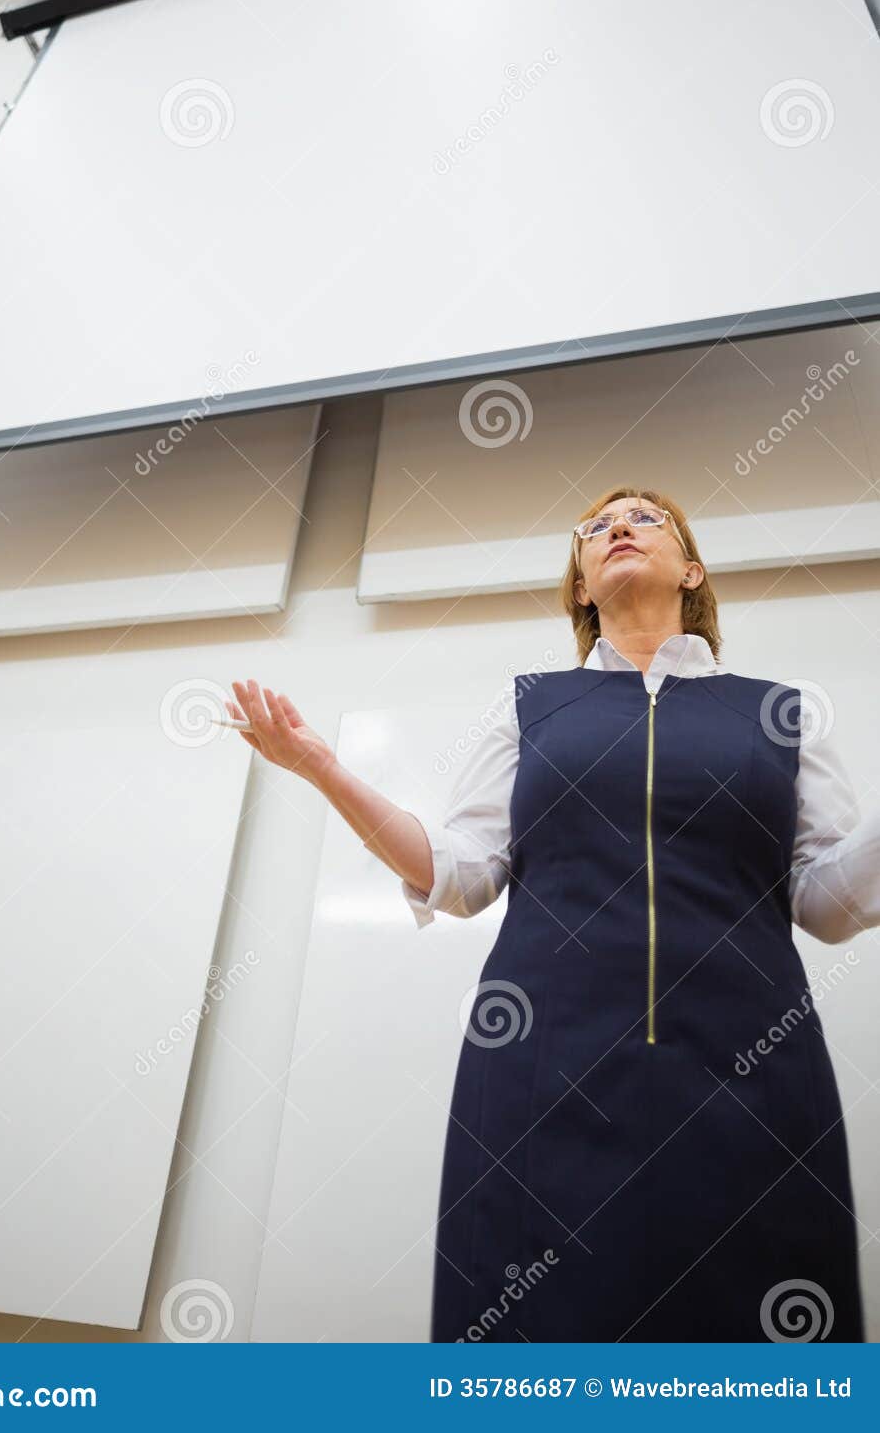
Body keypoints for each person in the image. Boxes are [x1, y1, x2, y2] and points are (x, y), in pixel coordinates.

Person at [229, 486, 876, 1342]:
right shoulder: (529, 704)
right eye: (594, 527)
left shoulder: (784, 710)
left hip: (750, 1065)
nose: (616, 528)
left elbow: (825, 906)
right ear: (578, 586)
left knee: (751, 1323)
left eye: (644, 517)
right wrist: (325, 771)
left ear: (692, 569)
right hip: (544, 1066)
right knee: (541, 1320)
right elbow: (460, 876)